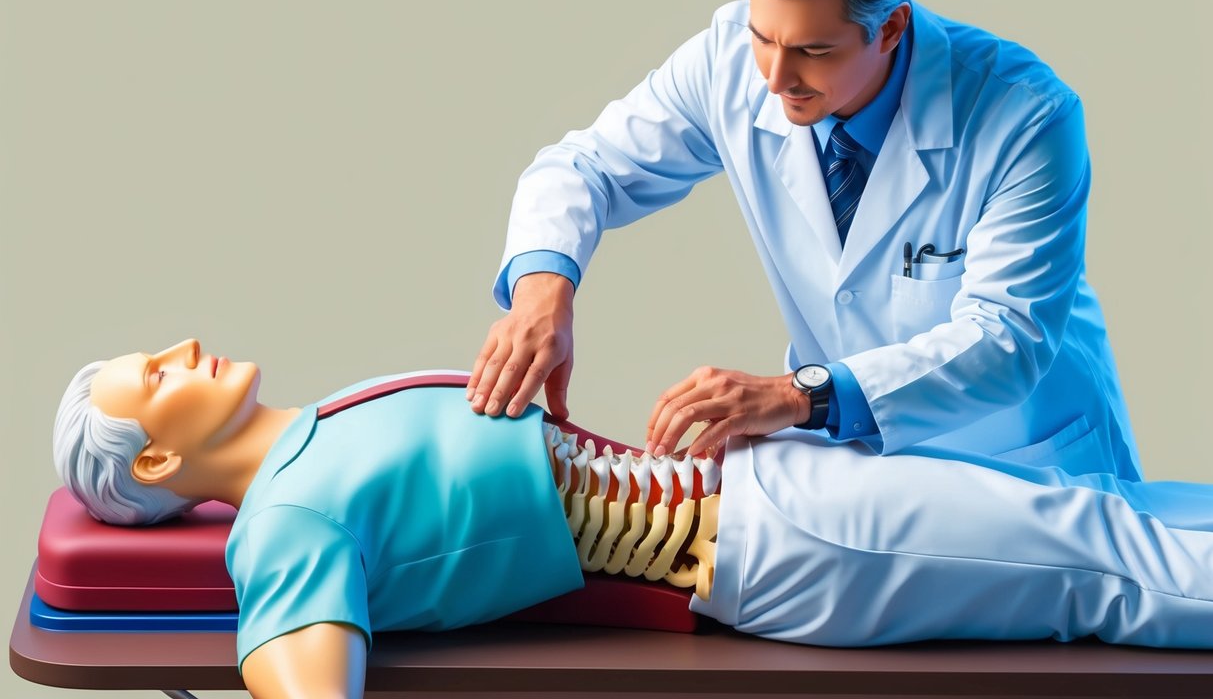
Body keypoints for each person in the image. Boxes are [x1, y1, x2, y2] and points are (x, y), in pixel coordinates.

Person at [50, 338, 1213, 699]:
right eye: (150, 374)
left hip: (764, 475)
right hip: (761, 547)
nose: (175, 349)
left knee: (1102, 510)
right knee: (1094, 563)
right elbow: (303, 672)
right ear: (159, 454)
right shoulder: (285, 521)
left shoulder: (327, 421)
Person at [468, 0, 1141, 480]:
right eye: (764, 37)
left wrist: (801, 396)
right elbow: (581, 168)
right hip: (863, 468)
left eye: (813, 51)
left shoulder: (1025, 114)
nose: (774, 77)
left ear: (891, 27)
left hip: (1027, 461)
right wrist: (541, 297)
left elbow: (1007, 337)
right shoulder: (727, 63)